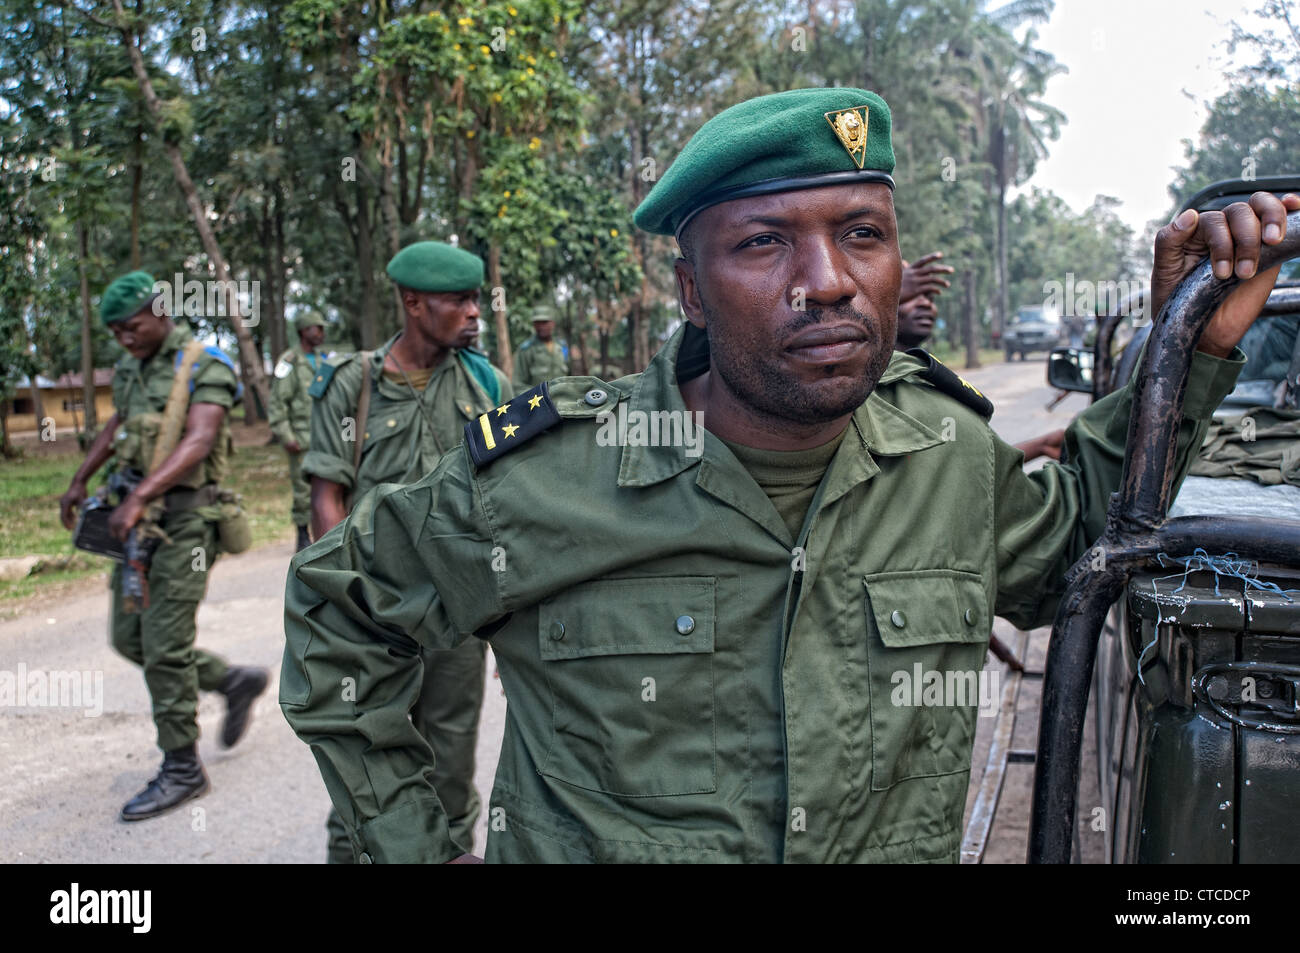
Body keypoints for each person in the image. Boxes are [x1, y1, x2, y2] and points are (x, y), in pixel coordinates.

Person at [280, 88, 1293, 863]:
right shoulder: (545, 477)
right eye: (764, 243)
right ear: (690, 288)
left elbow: (1080, 549)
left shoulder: (944, 460)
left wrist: (1182, 352)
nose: (827, 281)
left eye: (861, 234)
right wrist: (414, 845)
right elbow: (339, 609)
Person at [301, 240, 510, 863]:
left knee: (447, 769)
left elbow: (510, 499)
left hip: (457, 617)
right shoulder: (352, 385)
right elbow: (325, 498)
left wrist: (509, 611)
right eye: (460, 301)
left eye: (477, 299)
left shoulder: (489, 382)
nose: (476, 312)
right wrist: (350, 605)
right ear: (413, 302)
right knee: (366, 770)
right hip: (375, 615)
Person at [58, 271, 269, 821]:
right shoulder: (131, 368)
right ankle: (233, 680)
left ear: (161, 311)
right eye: (115, 334)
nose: (124, 340)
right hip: (137, 527)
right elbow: (119, 427)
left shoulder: (205, 366)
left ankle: (182, 768)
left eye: (132, 328)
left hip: (184, 528)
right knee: (129, 637)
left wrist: (141, 496)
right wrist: (82, 478)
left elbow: (199, 440)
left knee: (165, 648)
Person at [268, 311, 332, 552]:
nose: (321, 333)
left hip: (325, 436)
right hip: (301, 437)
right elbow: (277, 402)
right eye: (317, 328)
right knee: (303, 489)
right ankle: (303, 534)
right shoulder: (289, 361)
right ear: (304, 331)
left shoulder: (324, 359)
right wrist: (286, 436)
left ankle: (326, 531)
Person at [511, 305, 569, 391]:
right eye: (537, 323)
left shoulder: (561, 346)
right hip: (538, 401)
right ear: (533, 325)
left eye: (545, 322)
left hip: (562, 399)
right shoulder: (526, 350)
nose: (541, 326)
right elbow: (518, 385)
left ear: (552, 323)